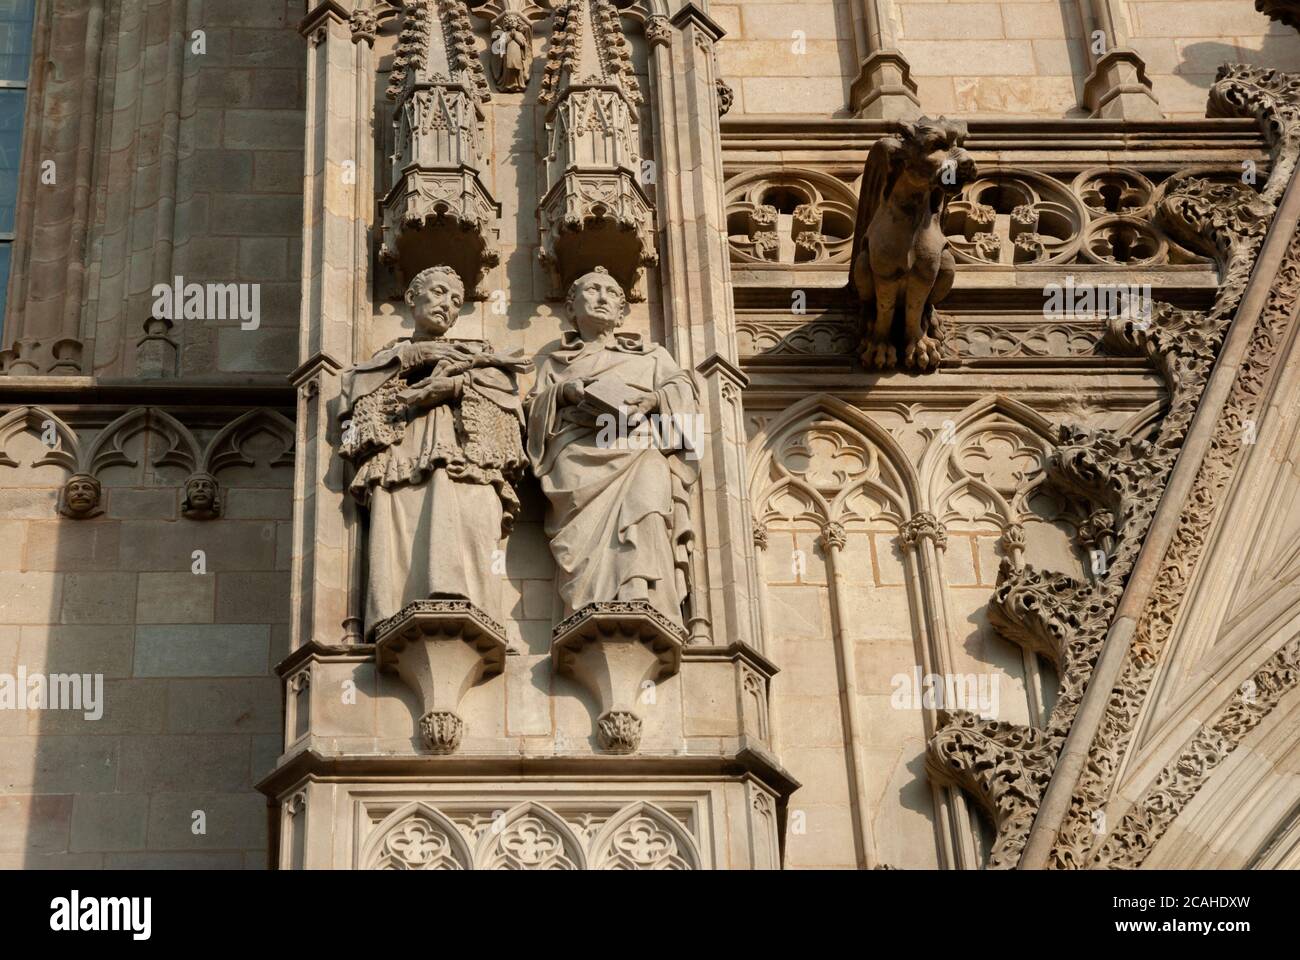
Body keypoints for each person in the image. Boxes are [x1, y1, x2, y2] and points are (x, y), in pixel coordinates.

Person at [340, 265, 531, 633]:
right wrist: (417, 359)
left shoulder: (478, 356)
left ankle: (470, 604)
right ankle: (396, 608)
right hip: (404, 456)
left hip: (467, 459)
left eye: (457, 300)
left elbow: (508, 408)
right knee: (404, 525)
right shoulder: (386, 359)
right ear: (412, 298)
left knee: (467, 521)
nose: (448, 305)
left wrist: (455, 386)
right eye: (439, 292)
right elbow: (355, 406)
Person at [527, 267, 698, 628]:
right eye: (592, 290)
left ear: (622, 312)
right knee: (584, 540)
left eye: (611, 293)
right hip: (576, 456)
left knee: (648, 505)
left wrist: (653, 400)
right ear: (571, 308)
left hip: (638, 448)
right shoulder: (558, 364)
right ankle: (591, 600)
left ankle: (642, 593)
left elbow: (689, 408)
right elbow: (532, 414)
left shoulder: (652, 357)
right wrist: (564, 392)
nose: (602, 297)